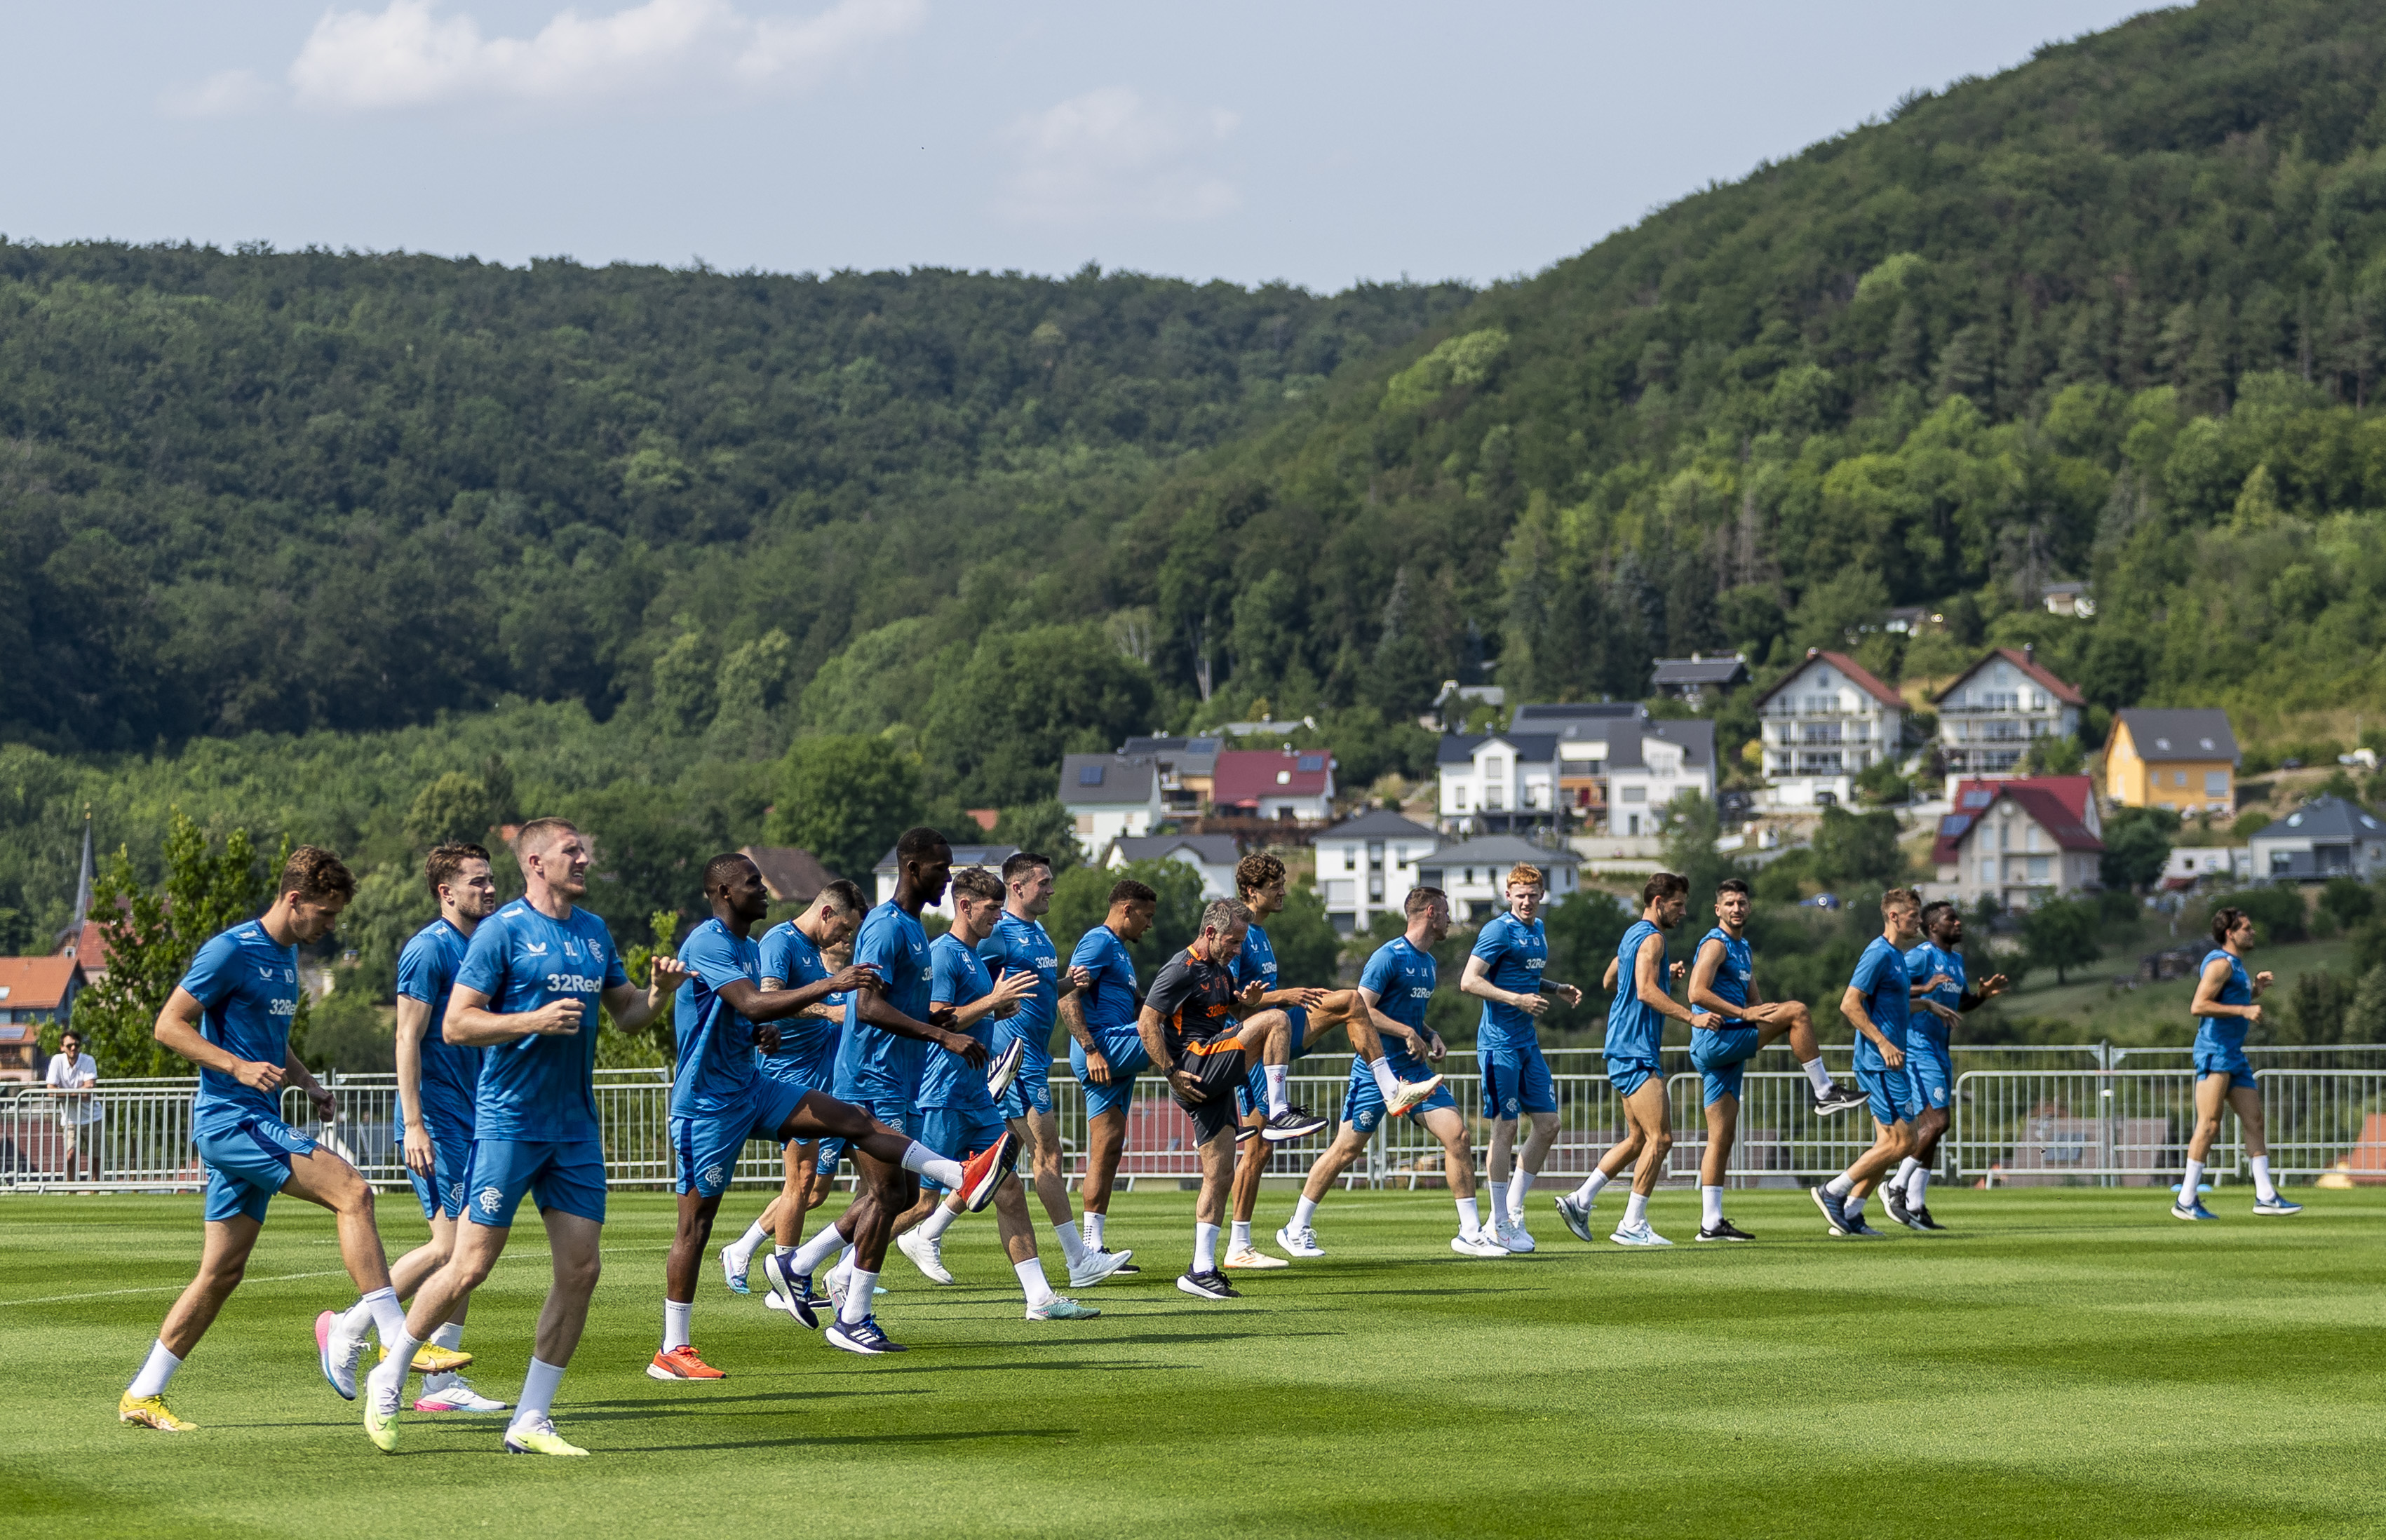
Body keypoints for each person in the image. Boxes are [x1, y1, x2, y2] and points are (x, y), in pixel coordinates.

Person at [358, 818, 681, 1457]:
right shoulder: (503, 931)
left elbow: (629, 1016)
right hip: (508, 1123)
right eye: (572, 851)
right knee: (470, 1264)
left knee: (582, 1270)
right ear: (535, 862)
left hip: (575, 1130)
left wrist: (660, 993)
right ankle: (389, 1372)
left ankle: (531, 1418)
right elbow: (455, 1025)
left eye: (584, 849)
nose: (584, 859)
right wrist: (532, 1019)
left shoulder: (593, 933)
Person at [653, 854, 988, 1379]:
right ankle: (672, 1349)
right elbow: (752, 1002)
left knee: (851, 1120)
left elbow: (743, 1015)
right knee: (696, 1225)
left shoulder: (745, 946)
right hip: (708, 1106)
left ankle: (957, 1174)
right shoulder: (709, 942)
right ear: (721, 893)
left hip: (752, 1088)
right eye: (751, 884)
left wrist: (757, 1033)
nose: (764, 890)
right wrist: (829, 988)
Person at [120, 847, 382, 1435]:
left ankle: (144, 1392)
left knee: (221, 1272)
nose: (330, 927)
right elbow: (168, 1024)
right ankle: (391, 1335)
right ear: (294, 900)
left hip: (253, 1119)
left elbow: (270, 1036)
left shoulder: (287, 955)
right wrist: (236, 1067)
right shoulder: (231, 949)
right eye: (325, 913)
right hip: (232, 1120)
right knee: (352, 1191)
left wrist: (307, 1081)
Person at [315, 844, 504, 1414]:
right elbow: (405, 1037)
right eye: (478, 881)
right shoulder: (428, 949)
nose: (490, 889)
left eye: (492, 879)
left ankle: (440, 1386)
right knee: (448, 1245)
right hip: (437, 1121)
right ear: (447, 892)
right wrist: (415, 1123)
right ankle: (348, 1328)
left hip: (477, 1120)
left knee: (468, 1250)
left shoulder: (486, 947)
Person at [795, 827, 995, 1354]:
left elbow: (903, 1003)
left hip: (896, 1078)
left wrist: (944, 1017)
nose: (946, 878)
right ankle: (852, 1316)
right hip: (869, 1077)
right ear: (912, 869)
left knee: (902, 1195)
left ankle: (797, 1264)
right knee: (889, 1196)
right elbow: (869, 1007)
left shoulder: (910, 927)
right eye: (939, 868)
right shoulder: (885, 927)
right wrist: (943, 1035)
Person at [888, 867, 1097, 1319]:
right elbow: (937, 1022)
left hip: (976, 1096)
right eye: (991, 909)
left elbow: (975, 1019)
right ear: (964, 906)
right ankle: (826, 1265)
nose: (997, 918)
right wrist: (990, 1002)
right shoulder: (944, 954)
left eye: (1002, 908)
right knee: (916, 1202)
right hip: (942, 1095)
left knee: (1010, 1190)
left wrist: (999, 1009)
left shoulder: (974, 955)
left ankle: (1040, 1298)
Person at [1615, 876, 1866, 1243]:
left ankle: (1711, 1223)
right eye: (1729, 903)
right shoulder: (1715, 944)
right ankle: (1824, 1091)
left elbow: (1755, 1003)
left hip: (1728, 1042)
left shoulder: (1743, 948)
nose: (1737, 908)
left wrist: (1761, 1017)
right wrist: (1750, 1017)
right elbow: (1696, 992)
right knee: (1797, 1012)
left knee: (1722, 1135)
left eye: (1742, 903)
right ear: (1718, 909)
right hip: (1717, 1038)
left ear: (1749, 908)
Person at [1222, 852, 1437, 1270]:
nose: (1283, 891)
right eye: (1275, 886)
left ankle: (1391, 1089)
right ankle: (1237, 1246)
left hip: (1277, 1034)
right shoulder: (1239, 933)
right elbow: (1231, 1002)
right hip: (1249, 1043)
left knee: (1351, 1002)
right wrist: (1284, 995)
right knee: (1257, 1149)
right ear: (1251, 891)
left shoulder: (1260, 934)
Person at [1274, 887, 1508, 1260]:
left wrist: (1428, 1033)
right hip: (1375, 1071)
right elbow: (1361, 1010)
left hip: (1414, 1071)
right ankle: (1295, 1227)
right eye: (1446, 913)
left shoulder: (1429, 962)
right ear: (1431, 913)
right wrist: (1407, 1032)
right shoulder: (1388, 956)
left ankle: (1469, 1233)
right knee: (1346, 1150)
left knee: (1459, 1137)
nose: (1450, 920)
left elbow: (1409, 1015)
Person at [977, 852, 1133, 1290]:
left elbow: (1040, 988)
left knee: (984, 1166)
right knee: (1045, 1154)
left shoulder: (1038, 933)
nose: (1050, 889)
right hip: (1013, 1061)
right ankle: (1078, 1259)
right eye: (1043, 882)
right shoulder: (1000, 934)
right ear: (1017, 887)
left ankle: (923, 1234)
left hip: (1034, 1061)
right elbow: (969, 985)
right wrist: (991, 1004)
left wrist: (1069, 984)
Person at [714, 878, 868, 1300]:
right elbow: (770, 999)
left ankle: (744, 1250)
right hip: (789, 1079)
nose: (846, 938)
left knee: (816, 1190)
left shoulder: (812, 950)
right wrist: (828, 1010)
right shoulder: (780, 941)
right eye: (845, 928)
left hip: (821, 1078)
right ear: (826, 913)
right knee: (801, 1181)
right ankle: (786, 1281)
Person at [1133, 898, 1294, 1300]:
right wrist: (1170, 1072)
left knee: (1221, 1175)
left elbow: (1224, 1013)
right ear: (1209, 933)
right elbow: (1146, 1022)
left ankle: (1201, 1269)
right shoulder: (1181, 968)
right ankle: (1278, 1111)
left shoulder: (1221, 970)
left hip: (1211, 1071)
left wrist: (1247, 1004)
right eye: (1233, 941)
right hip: (1197, 1064)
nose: (1238, 949)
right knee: (1279, 1020)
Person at [1460, 863, 1584, 1252]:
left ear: (1542, 895)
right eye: (1520, 894)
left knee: (1549, 1124)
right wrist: (1517, 1000)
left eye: (1534, 894)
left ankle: (1512, 1209)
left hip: (1527, 1043)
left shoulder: (1538, 931)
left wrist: (1556, 987)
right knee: (1505, 1129)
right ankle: (1497, 1223)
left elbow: (1523, 975)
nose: (1527, 901)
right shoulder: (1497, 930)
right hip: (1499, 1045)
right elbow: (1470, 981)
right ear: (1508, 895)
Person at [1811, 889, 1927, 1239]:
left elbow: (1892, 1006)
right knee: (1904, 1142)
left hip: (1890, 1061)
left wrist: (1929, 1006)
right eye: (1913, 916)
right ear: (1893, 916)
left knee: (1887, 1145)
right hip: (1879, 1062)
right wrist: (1883, 1043)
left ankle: (1853, 1213)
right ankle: (1833, 1191)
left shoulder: (1896, 956)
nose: (1918, 922)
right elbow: (1850, 1004)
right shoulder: (1877, 953)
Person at [1885, 901, 2007, 1231]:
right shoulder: (1921, 955)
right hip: (1917, 1048)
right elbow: (1889, 990)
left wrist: (1980, 996)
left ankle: (1916, 1203)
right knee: (1937, 1122)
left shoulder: (1955, 960)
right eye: (1951, 919)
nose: (1958, 922)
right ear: (1933, 926)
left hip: (1939, 1050)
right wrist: (1923, 990)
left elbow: (1959, 1003)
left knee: (1935, 1130)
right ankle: (1895, 1185)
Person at [2176, 905, 2301, 1220]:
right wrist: (2245, 1011)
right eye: (2246, 927)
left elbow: (2230, 1000)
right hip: (2214, 1052)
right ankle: (2186, 1199)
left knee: (2255, 1120)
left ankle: (2266, 1196)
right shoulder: (2220, 964)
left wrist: (2254, 991)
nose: (2253, 931)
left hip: (2234, 1055)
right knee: (2209, 1124)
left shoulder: (2237, 966)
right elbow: (2199, 1005)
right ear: (2230, 933)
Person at [43, 1028, 100, 1184]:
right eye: (69, 1046)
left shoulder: (89, 1060)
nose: (73, 1048)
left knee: (96, 1156)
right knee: (70, 1155)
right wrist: (77, 1093)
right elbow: (50, 1091)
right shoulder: (57, 1061)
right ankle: (71, 1187)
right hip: (69, 1118)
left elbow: (88, 1090)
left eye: (76, 1045)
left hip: (93, 1116)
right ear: (62, 1047)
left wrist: (63, 1092)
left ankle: (95, 1187)